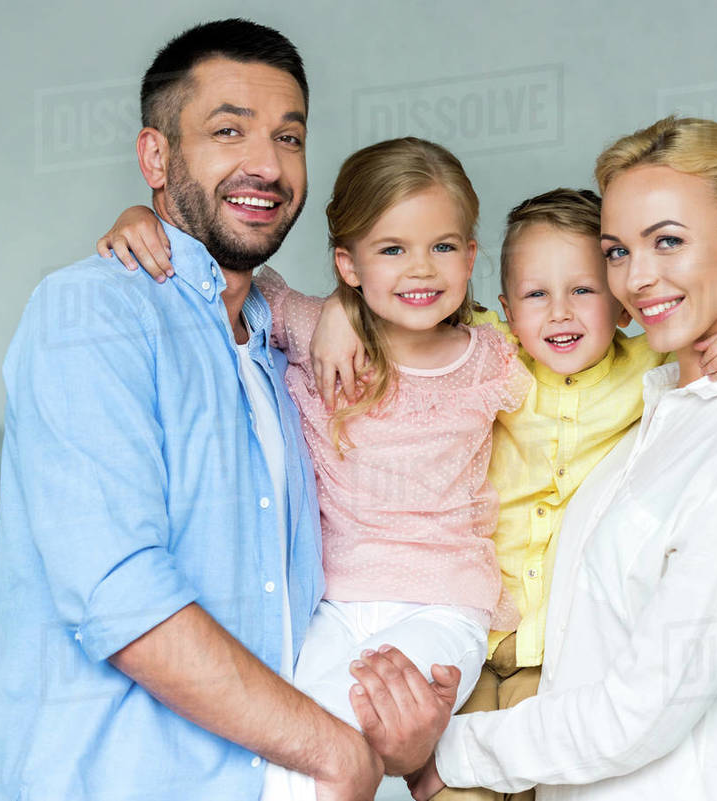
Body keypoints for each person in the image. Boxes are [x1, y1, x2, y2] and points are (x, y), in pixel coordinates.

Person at [346, 116, 717, 801]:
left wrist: (444, 751)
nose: (638, 279)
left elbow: (638, 711)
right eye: (618, 251)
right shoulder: (661, 413)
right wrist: (339, 308)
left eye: (669, 242)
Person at [0, 19, 383, 801]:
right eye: (228, 130)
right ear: (155, 157)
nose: (266, 164)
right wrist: (332, 750)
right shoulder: (90, 312)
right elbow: (120, 597)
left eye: (289, 138)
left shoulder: (282, 342)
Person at [100, 136, 532, 801]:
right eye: (393, 249)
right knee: (285, 756)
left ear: (472, 255)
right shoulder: (311, 330)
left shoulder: (494, 357)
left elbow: (604, 344)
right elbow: (224, 272)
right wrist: (143, 219)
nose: (421, 268)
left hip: (443, 606)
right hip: (335, 609)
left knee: (342, 740)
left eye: (443, 246)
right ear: (348, 264)